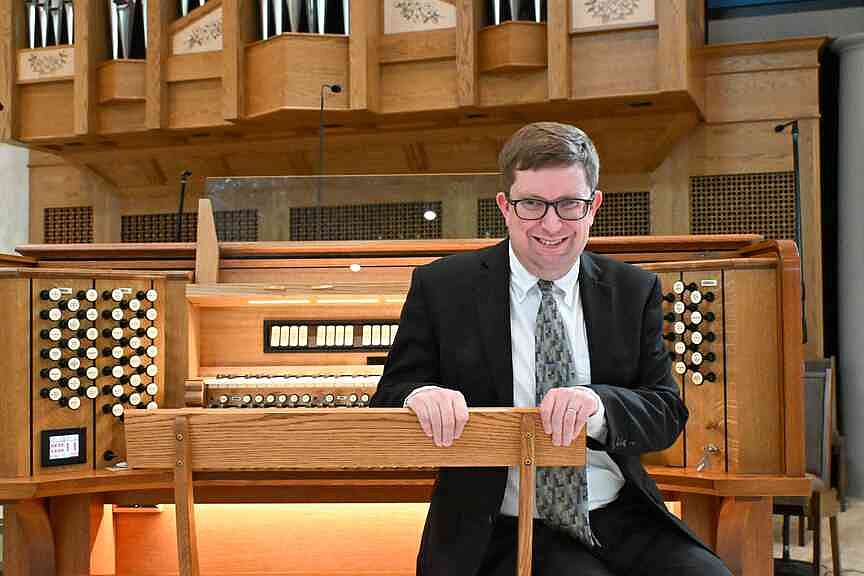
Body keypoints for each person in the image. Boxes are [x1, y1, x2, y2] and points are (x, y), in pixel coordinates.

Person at [370, 122, 732, 576]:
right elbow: (391, 391)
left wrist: (598, 406)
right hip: (501, 522)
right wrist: (419, 395)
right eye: (532, 204)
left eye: (569, 204)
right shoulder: (444, 287)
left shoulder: (632, 290)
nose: (551, 223)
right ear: (505, 206)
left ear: (593, 206)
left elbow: (665, 414)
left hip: (616, 511)